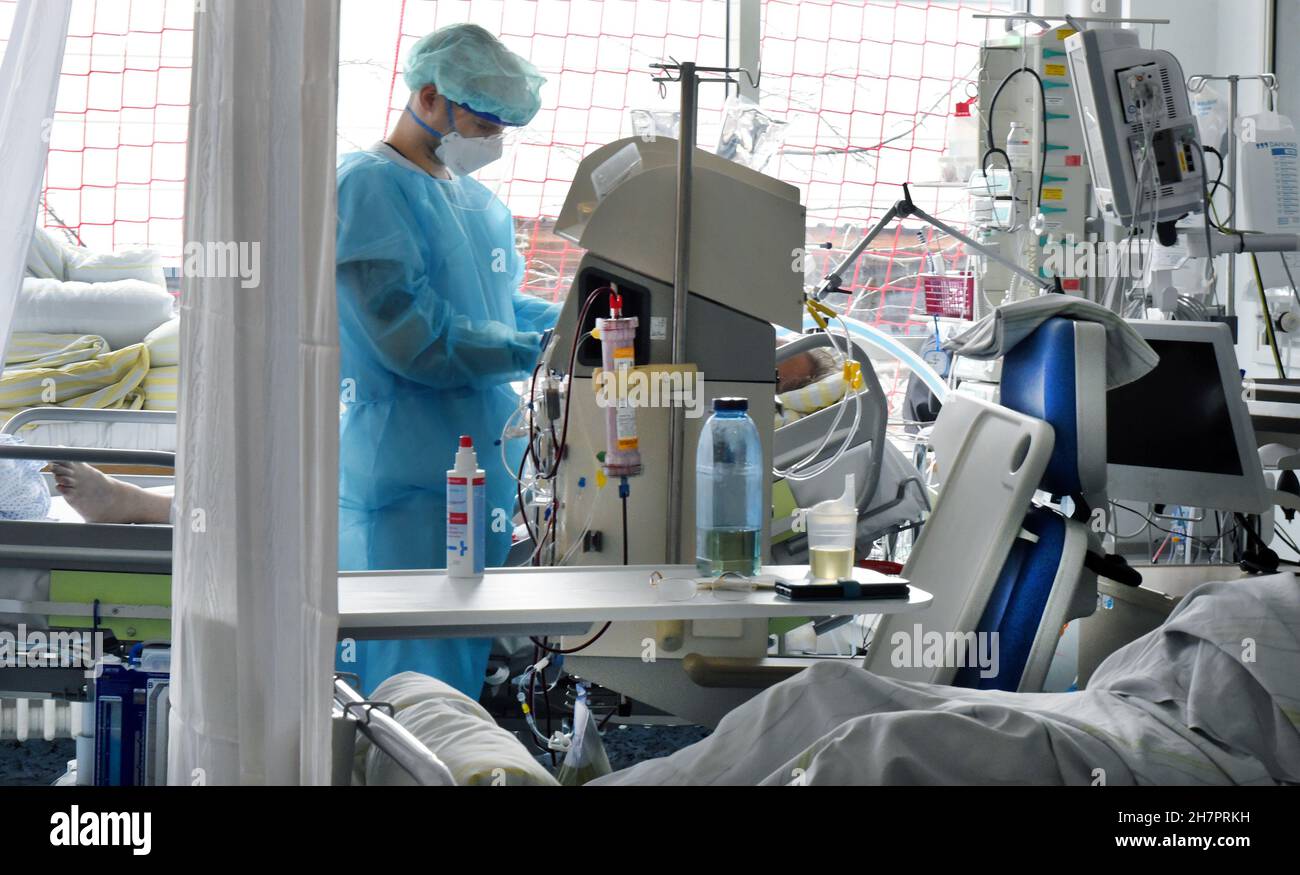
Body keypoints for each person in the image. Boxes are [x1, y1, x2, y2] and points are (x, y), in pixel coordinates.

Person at [335, 24, 557, 697]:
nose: (492, 140)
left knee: (457, 666)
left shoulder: (476, 202)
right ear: (429, 96)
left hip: (479, 466)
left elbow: (497, 305)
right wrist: (530, 349)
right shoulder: (368, 189)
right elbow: (413, 338)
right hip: (404, 469)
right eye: (483, 122)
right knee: (406, 678)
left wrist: (575, 324)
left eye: (499, 128)